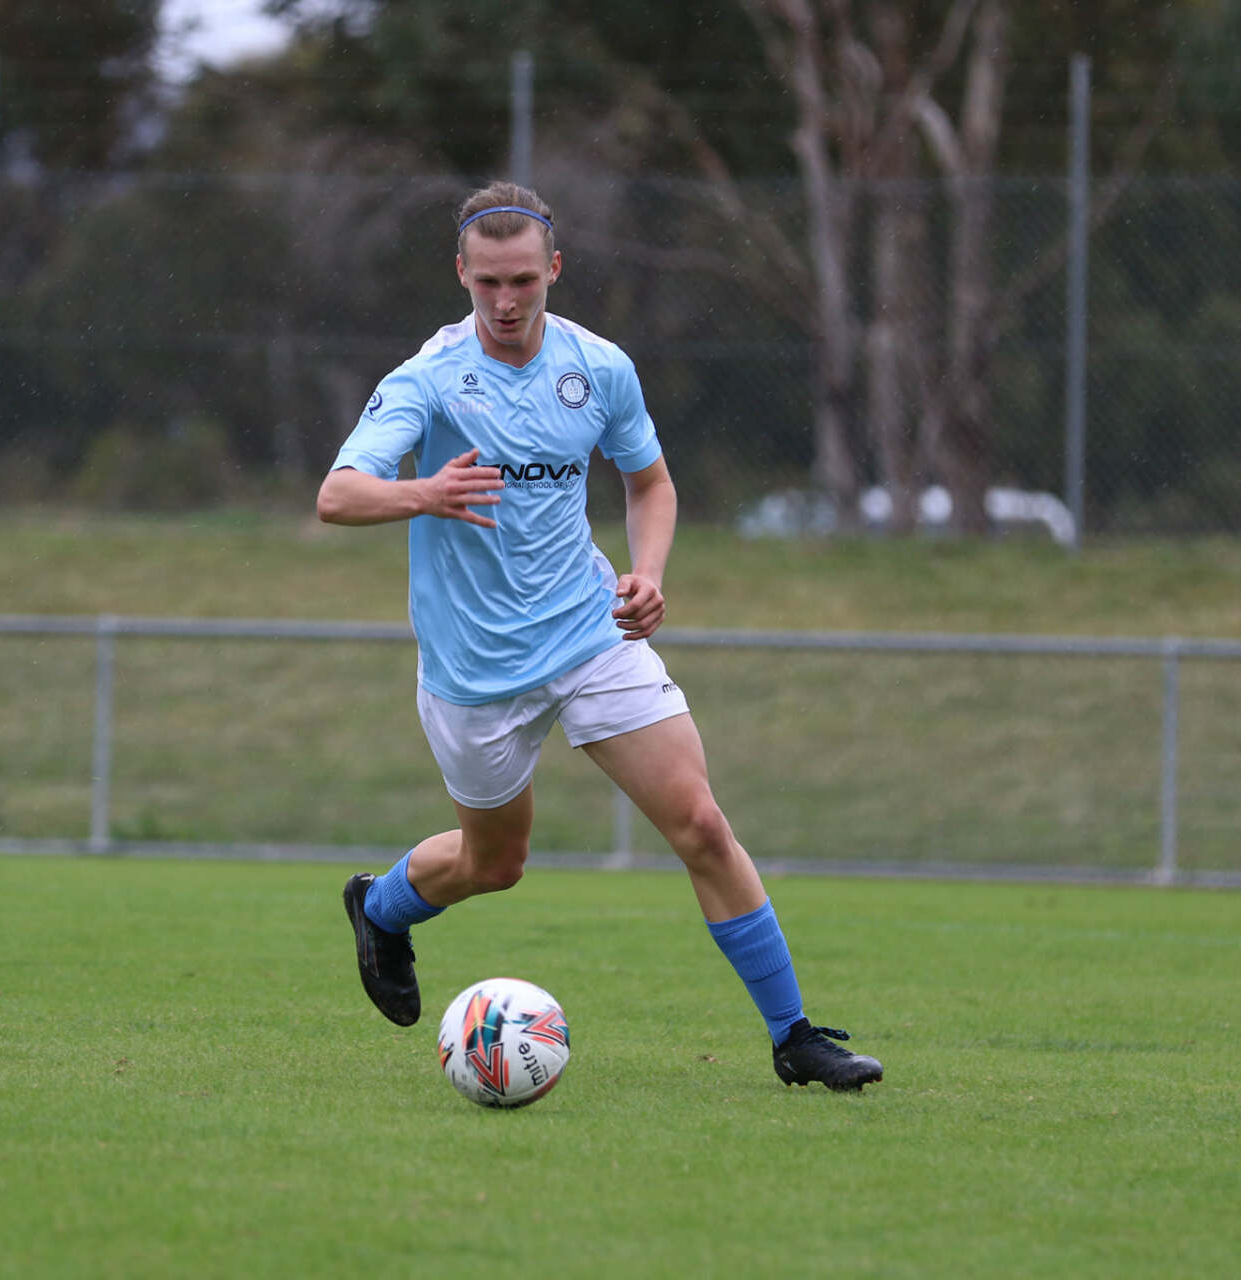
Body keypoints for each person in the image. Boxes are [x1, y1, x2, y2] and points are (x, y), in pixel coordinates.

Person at [317, 182, 883, 1091]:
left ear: (555, 272)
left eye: (525, 283)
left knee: (700, 823)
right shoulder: (425, 380)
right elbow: (337, 495)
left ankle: (795, 1037)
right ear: (461, 273)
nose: (506, 303)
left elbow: (650, 483)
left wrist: (649, 572)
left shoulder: (599, 367)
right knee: (494, 864)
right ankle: (381, 907)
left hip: (591, 635)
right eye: (489, 283)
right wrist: (424, 492)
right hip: (475, 668)